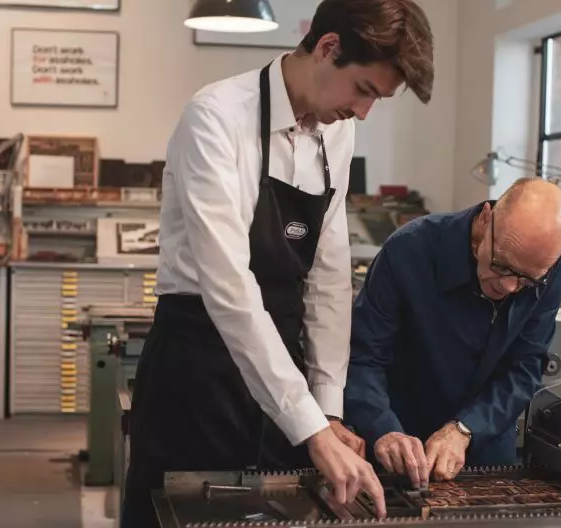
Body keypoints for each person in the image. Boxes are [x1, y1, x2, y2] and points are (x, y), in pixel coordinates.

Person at [121, 0, 435, 525]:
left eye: (378, 99)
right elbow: (229, 288)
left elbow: (329, 278)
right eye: (363, 90)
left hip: (282, 368)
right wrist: (308, 426)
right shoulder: (217, 116)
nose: (363, 112)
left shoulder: (338, 128)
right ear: (328, 47)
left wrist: (328, 409)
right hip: (200, 363)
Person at [343, 178, 561, 489]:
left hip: (486, 440)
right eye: (502, 265)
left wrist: (466, 428)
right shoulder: (408, 251)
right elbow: (364, 356)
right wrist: (382, 427)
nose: (508, 287)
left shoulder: (556, 266)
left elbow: (525, 366)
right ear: (485, 219)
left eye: (527, 280)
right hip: (399, 443)